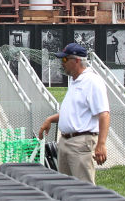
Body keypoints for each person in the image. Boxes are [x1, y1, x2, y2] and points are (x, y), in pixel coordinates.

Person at [38, 42, 110, 184]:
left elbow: (104, 114)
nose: (62, 63)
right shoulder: (75, 81)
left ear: (76, 60)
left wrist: (101, 144)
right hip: (65, 142)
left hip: (81, 143)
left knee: (84, 190)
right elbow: (75, 113)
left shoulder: (92, 81)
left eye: (65, 59)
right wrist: (50, 119)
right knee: (67, 189)